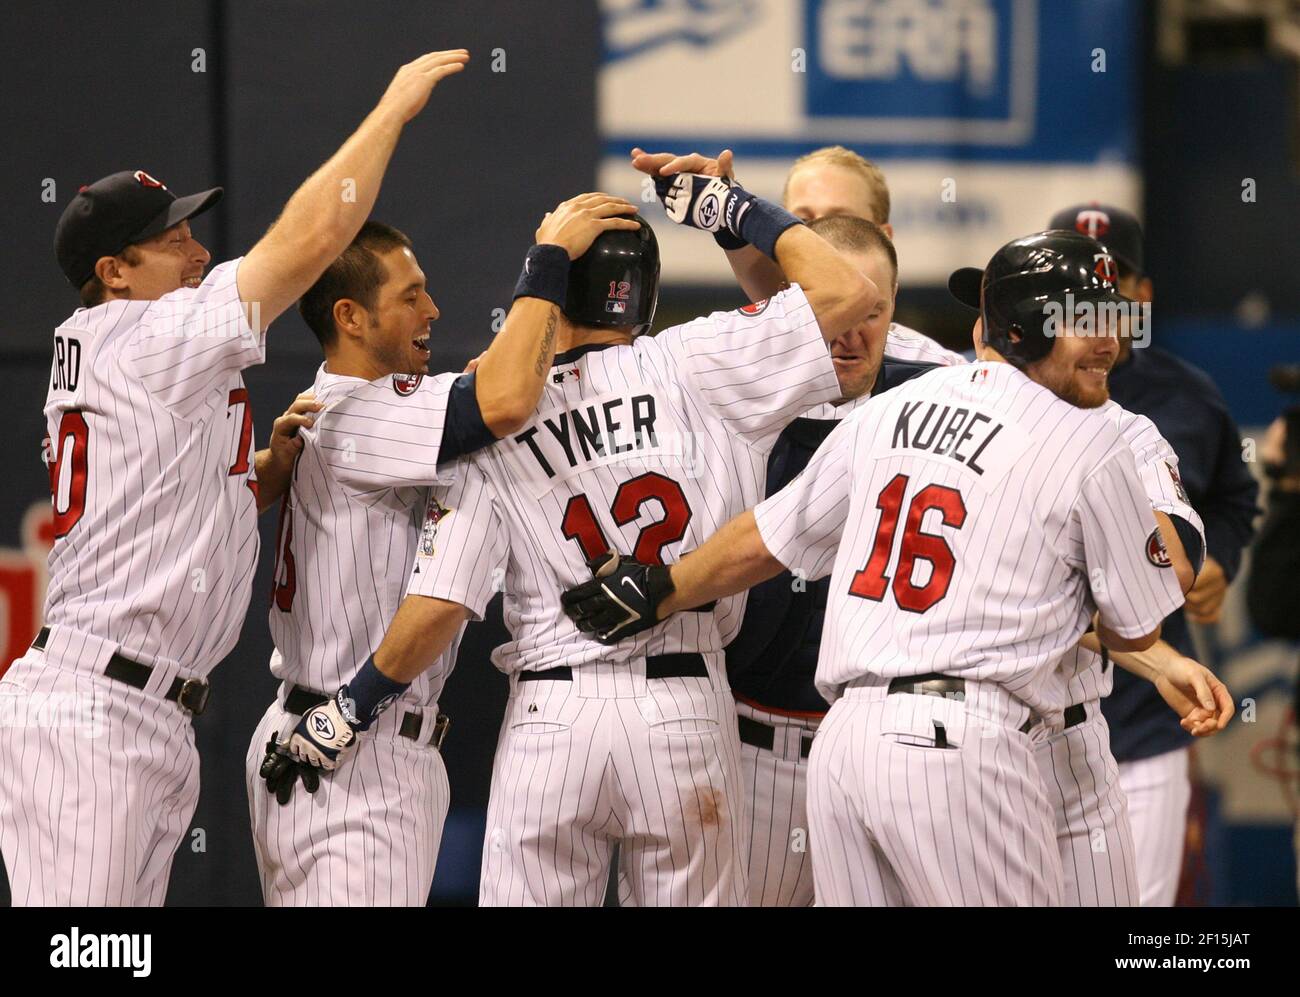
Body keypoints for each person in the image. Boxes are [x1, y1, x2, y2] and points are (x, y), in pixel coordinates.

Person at [563, 231, 1230, 905]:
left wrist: (660, 589)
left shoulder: (893, 413)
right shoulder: (1089, 439)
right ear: (1011, 329)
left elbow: (768, 537)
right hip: (970, 736)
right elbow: (1140, 605)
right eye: (1083, 322)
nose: (1107, 342)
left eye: (1108, 321)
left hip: (852, 742)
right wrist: (1152, 651)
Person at [280, 166, 880, 905]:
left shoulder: (495, 408)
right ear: (647, 292)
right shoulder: (695, 360)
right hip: (684, 704)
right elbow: (851, 292)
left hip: (551, 716)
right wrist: (730, 208)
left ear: (552, 291)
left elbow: (443, 593)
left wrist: (352, 705)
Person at [0, 47, 471, 907]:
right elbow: (313, 237)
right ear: (113, 273)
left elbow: (152, 507)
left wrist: (260, 473)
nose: (197, 250)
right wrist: (392, 111)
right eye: (170, 240)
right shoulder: (146, 338)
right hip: (94, 714)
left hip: (139, 710)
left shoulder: (118, 354)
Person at [247, 195, 640, 905]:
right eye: (410, 294)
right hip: (351, 743)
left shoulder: (334, 406)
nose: (432, 308)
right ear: (351, 317)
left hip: (316, 730)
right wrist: (547, 259)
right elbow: (505, 403)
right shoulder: (367, 409)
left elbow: (489, 395)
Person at [1050, 202, 1260, 905]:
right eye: (1072, 277)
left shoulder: (1187, 395)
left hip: (1143, 712)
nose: (1092, 295)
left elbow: (1236, 493)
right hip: (1019, 714)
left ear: (1141, 294)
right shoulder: (1006, 390)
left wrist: (1221, 556)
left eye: (1111, 279)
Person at [631, 144, 966, 367]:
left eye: (840, 219)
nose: (816, 238)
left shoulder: (934, 373)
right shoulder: (742, 359)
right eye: (800, 222)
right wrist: (727, 218)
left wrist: (734, 210)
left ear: (884, 239)